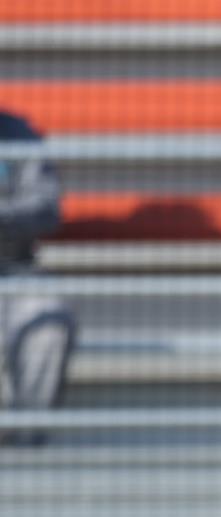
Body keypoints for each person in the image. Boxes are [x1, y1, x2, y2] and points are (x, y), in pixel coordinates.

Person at [0, 108, 75, 448]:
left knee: (49, 319)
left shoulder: (18, 134)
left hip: (13, 269)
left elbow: (46, 206)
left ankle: (24, 444)